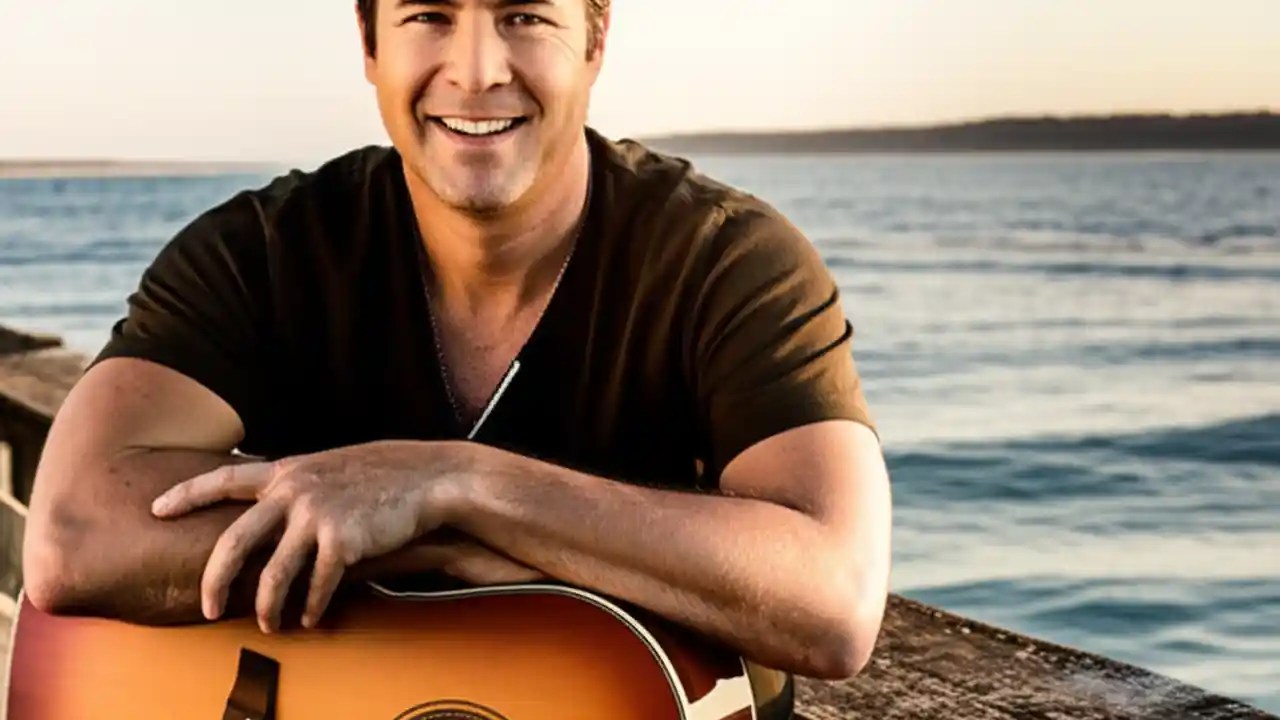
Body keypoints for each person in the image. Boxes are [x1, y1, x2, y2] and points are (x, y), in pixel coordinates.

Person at [22, 0, 892, 688]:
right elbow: (70, 531)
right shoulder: (266, 251)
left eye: (525, 16)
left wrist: (457, 485)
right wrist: (418, 535)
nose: (476, 72)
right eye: (429, 15)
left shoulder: (727, 261)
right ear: (369, 44)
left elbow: (835, 600)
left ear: (595, 42)